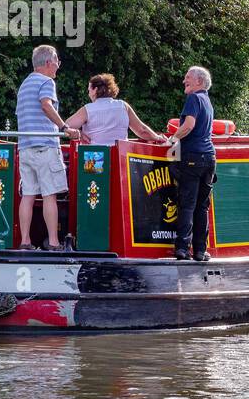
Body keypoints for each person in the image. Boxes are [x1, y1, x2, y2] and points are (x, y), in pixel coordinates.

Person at [15, 45, 79, 251]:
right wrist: (65, 128)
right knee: (50, 194)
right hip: (44, 145)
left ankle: (25, 242)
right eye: (57, 63)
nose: (58, 67)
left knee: (28, 195)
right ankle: (53, 242)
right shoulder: (46, 81)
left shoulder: (24, 85)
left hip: (25, 147)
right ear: (48, 62)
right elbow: (46, 105)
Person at [166, 66, 216, 262]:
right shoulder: (207, 102)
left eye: (188, 77)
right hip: (210, 158)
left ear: (199, 82)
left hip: (193, 157)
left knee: (187, 204)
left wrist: (171, 139)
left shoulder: (194, 98)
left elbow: (188, 125)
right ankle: (200, 251)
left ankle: (181, 249)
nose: (183, 81)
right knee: (202, 206)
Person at [65, 73, 168, 147]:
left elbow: (65, 126)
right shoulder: (123, 106)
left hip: (94, 160)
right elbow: (142, 130)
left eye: (89, 90)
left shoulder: (87, 109)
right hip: (121, 157)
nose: (88, 93)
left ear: (95, 90)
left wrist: (79, 133)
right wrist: (158, 138)